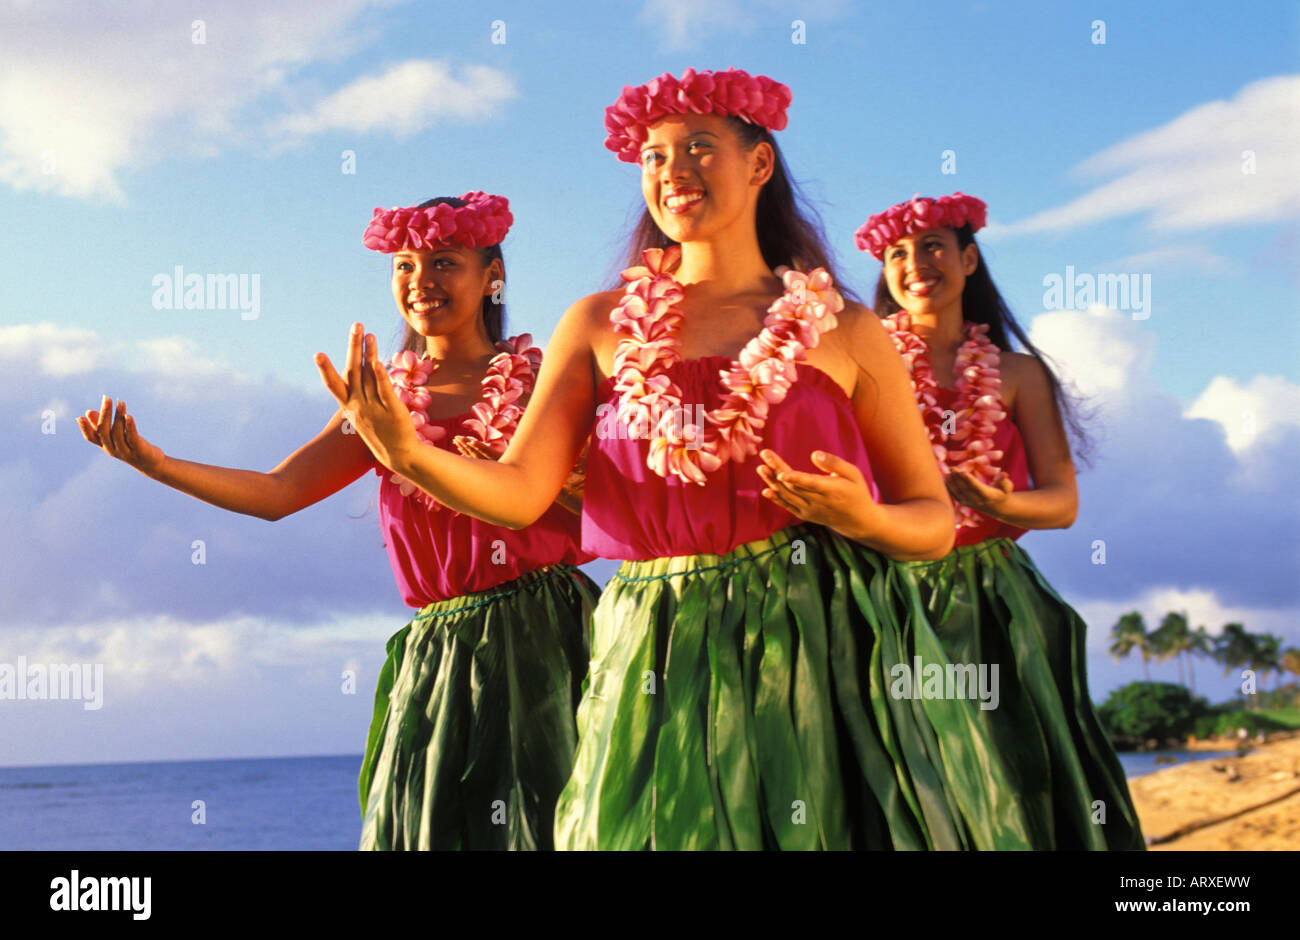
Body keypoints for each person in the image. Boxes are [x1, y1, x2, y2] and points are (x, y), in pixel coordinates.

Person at [316, 68, 1023, 850]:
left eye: (697, 147)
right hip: (652, 634)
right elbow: (521, 493)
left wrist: (866, 517)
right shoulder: (596, 325)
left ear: (758, 164)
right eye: (653, 156)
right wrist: (408, 454)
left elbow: (931, 519)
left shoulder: (846, 328)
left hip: (813, 632)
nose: (671, 171)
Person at [79, 192, 599, 850]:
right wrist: (157, 464)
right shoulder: (384, 403)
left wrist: (569, 487)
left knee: (552, 819)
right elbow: (279, 491)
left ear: (493, 274)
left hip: (545, 632)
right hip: (440, 648)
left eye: (444, 262)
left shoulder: (545, 380)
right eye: (405, 265)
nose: (420, 281)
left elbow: (615, 505)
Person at [854, 191, 1145, 849]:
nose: (915, 263)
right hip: (890, 596)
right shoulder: (863, 369)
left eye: (933, 246)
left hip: (997, 599)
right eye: (898, 253)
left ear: (969, 257)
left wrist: (998, 504)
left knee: (1015, 777)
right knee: (921, 783)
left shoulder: (1018, 375)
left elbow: (1062, 502)